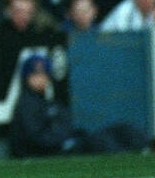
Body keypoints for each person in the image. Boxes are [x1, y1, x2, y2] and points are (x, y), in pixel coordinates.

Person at [10, 55, 146, 157]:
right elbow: (35, 139)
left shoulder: (48, 101)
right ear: (26, 78)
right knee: (99, 142)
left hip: (65, 143)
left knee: (120, 129)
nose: (41, 79)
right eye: (35, 75)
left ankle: (146, 146)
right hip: (52, 151)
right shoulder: (26, 104)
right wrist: (65, 140)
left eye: (44, 74)